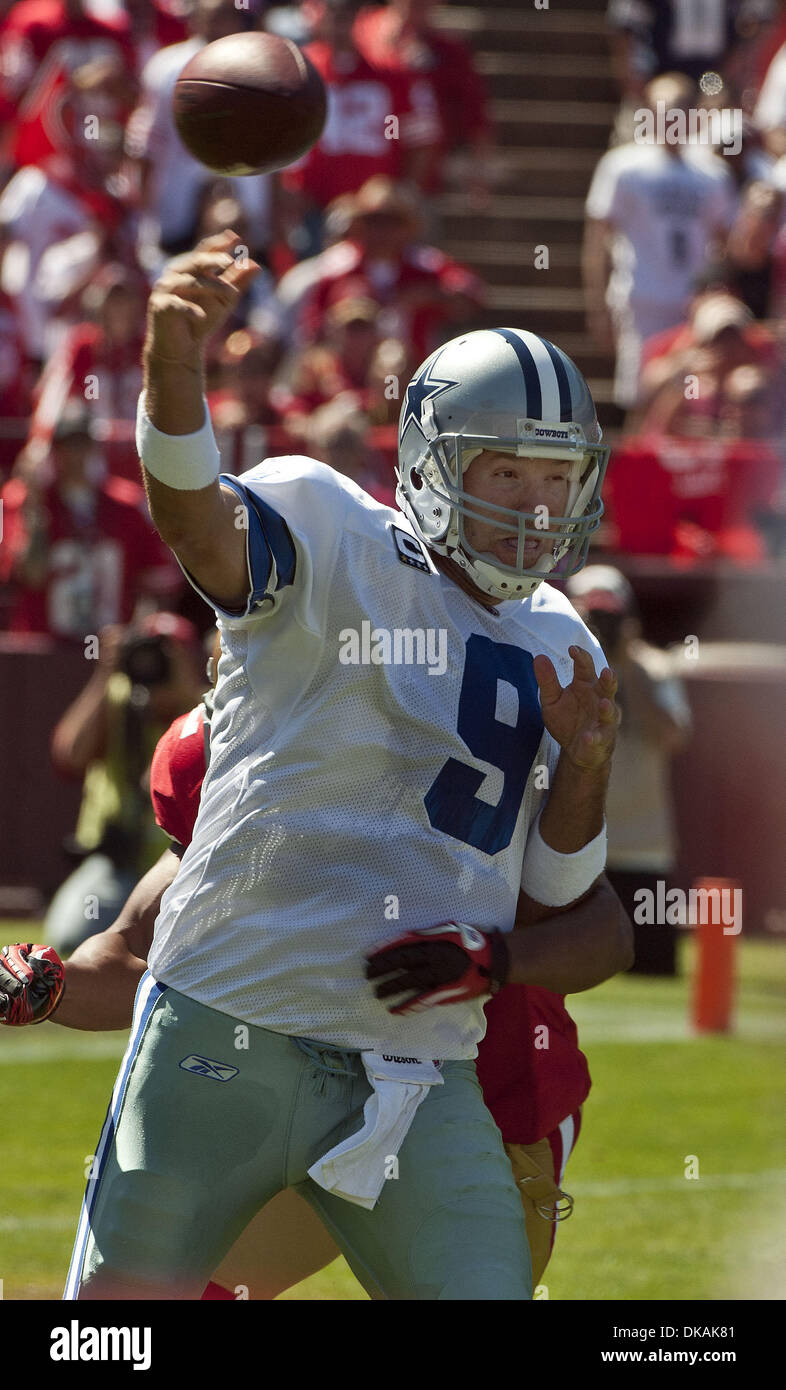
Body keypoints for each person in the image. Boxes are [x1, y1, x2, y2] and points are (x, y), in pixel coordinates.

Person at [63, 228, 622, 1302]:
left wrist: (588, 766)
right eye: (508, 472)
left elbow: (561, 902)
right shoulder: (334, 531)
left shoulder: (564, 638)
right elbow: (196, 518)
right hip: (224, 1031)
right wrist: (174, 370)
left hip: (420, 1067)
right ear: (430, 459)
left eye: (559, 479)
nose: (539, 508)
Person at [0, 676, 632, 1299]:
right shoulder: (219, 749)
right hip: (298, 1085)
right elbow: (137, 956)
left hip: (490, 1103)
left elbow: (605, 930)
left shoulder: (444, 737)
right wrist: (52, 984)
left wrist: (495, 958)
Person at [42, 612, 204, 955]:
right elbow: (69, 754)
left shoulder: (206, 711)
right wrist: (105, 673)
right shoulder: (119, 698)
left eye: (167, 656)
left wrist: (189, 695)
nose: (153, 665)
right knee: (72, 937)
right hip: (117, 863)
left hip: (186, 866)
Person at [583, 72, 736, 412]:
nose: (671, 120)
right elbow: (597, 241)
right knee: (641, 398)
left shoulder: (712, 173)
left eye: (680, 110)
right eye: (664, 110)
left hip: (694, 308)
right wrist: (598, 305)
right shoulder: (623, 166)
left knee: (691, 398)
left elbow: (727, 242)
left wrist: (715, 293)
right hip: (642, 300)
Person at [567, 567, 691, 975]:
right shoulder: (555, 661)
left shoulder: (655, 668)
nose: (600, 625)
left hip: (642, 848)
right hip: (576, 843)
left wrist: (626, 667)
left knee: (651, 969)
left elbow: (672, 737)